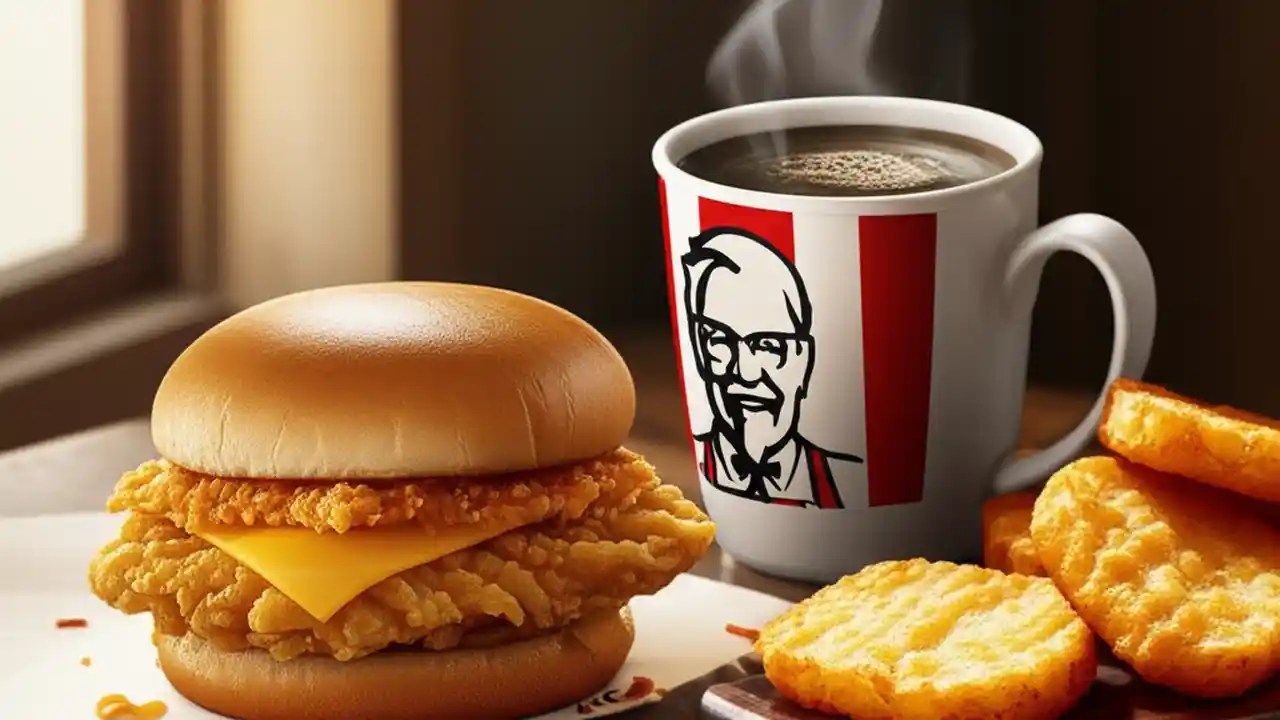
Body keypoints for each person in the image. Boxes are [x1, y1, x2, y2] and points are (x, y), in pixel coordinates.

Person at [681, 227, 863, 509]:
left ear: (803, 360)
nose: (746, 373)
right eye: (720, 340)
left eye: (767, 345)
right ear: (700, 351)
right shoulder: (680, 480)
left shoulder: (854, 482)